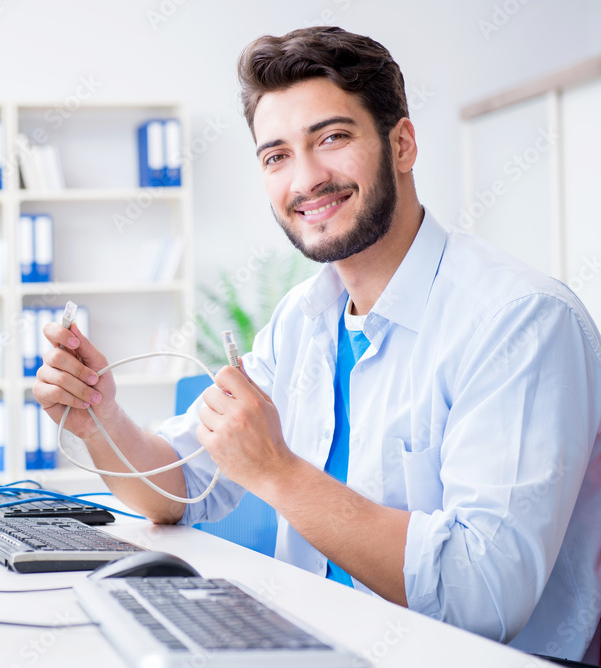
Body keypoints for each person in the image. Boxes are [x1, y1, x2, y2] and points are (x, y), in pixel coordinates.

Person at [33, 26, 601, 662]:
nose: (306, 180)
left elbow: (483, 595)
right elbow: (177, 489)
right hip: (310, 645)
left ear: (403, 144)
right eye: (276, 156)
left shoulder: (520, 321)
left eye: (331, 138)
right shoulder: (304, 319)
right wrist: (98, 416)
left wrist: (277, 472)